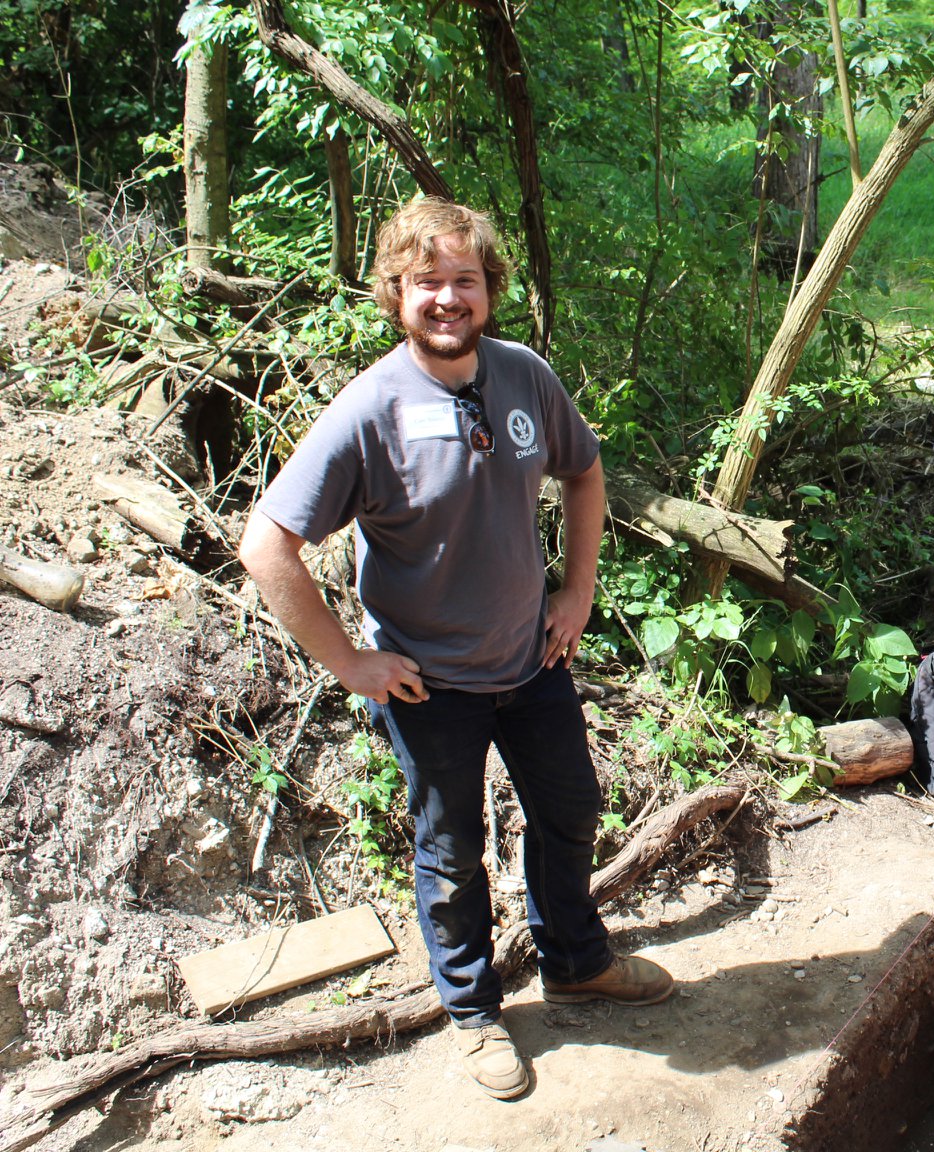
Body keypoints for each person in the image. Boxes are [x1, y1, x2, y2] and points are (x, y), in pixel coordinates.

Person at [239, 198, 672, 1100]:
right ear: (397, 293)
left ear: (489, 291)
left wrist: (578, 590)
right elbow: (266, 545)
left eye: (464, 281)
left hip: (532, 660)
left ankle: (576, 962)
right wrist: (351, 664)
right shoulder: (369, 409)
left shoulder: (523, 377)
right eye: (427, 281)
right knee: (449, 850)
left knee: (571, 813)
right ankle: (474, 1013)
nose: (447, 298)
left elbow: (584, 472)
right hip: (426, 684)